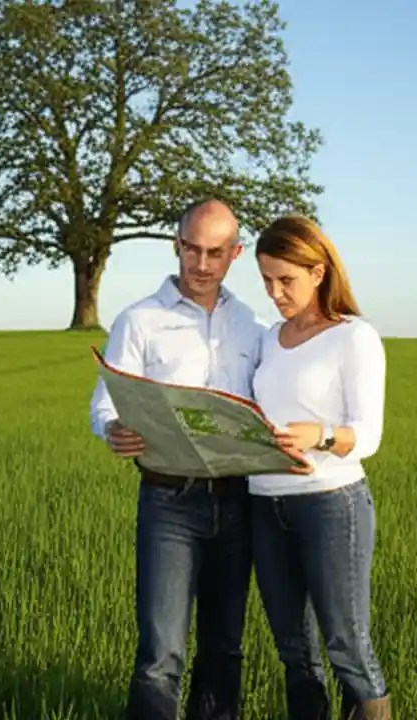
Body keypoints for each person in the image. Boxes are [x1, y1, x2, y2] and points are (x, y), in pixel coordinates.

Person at [88, 198, 264, 720]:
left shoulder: (251, 325)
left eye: (216, 252)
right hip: (169, 501)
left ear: (236, 253)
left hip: (238, 500)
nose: (202, 264)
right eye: (192, 249)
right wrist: (112, 428)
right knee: (161, 653)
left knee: (225, 647)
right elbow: (105, 402)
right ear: (176, 245)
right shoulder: (140, 319)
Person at [247, 214, 391, 720]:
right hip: (264, 505)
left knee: (347, 646)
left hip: (332, 505)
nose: (275, 292)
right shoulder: (267, 339)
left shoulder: (353, 337)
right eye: (266, 280)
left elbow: (367, 436)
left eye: (286, 279)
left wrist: (321, 435)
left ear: (319, 271)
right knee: (294, 652)